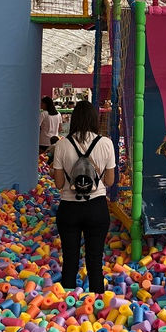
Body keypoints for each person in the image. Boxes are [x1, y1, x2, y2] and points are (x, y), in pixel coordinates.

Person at [51, 101, 115, 293]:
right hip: (97, 207)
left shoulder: (62, 145)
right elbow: (110, 181)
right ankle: (97, 308)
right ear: (95, 120)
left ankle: (67, 311)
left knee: (70, 260)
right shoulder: (106, 143)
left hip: (69, 208)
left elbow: (59, 184)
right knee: (95, 261)